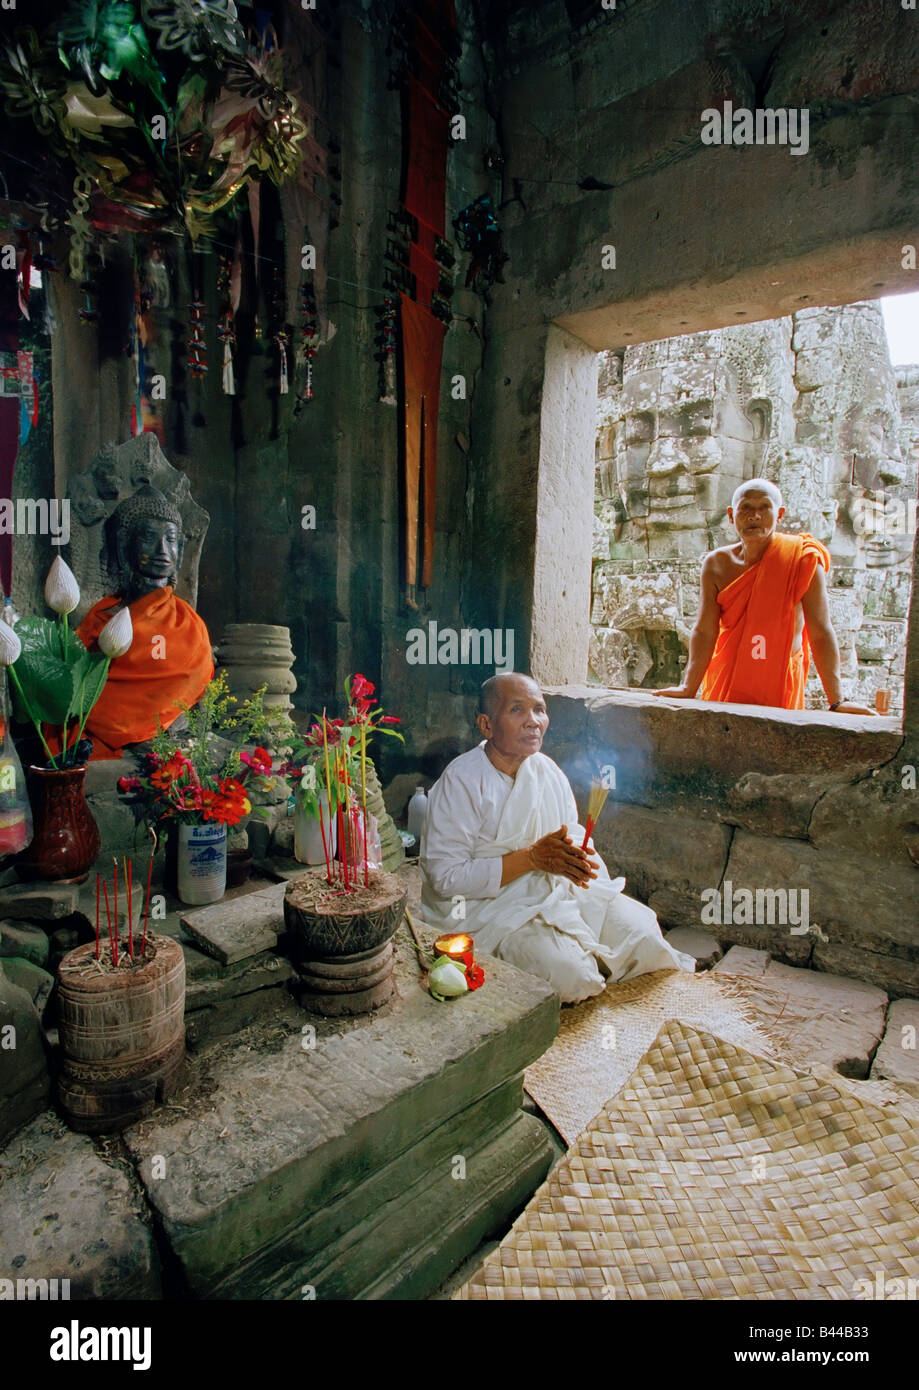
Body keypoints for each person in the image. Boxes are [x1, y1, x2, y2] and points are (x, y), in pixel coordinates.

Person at [420, 672, 694, 1004]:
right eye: (517, 710)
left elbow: (572, 832)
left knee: (645, 936)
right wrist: (532, 859)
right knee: (572, 976)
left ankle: (578, 945)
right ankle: (573, 956)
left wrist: (577, 857)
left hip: (555, 889)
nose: (533, 722)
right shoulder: (461, 781)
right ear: (486, 725)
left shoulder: (546, 770)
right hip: (488, 907)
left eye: (540, 709)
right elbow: (446, 878)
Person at [654, 478, 874, 713]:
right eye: (746, 507)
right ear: (731, 515)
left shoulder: (802, 559)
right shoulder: (717, 564)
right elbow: (705, 630)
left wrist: (837, 700)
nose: (754, 516)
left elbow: (820, 631)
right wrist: (689, 687)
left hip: (778, 678)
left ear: (779, 514)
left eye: (764, 507)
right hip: (729, 675)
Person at [77, 485, 214, 757]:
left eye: (170, 539)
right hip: (113, 742)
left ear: (181, 549)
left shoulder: (190, 623)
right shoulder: (102, 618)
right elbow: (82, 693)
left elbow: (198, 702)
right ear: (123, 545)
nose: (161, 549)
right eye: (149, 538)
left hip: (177, 740)